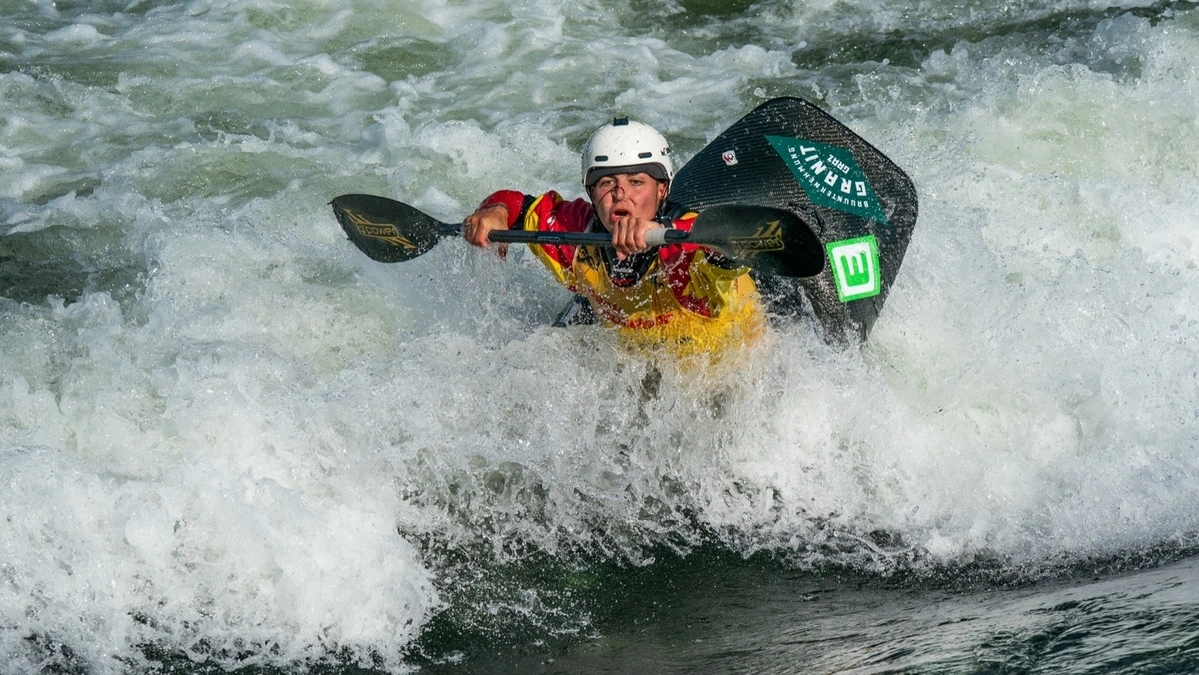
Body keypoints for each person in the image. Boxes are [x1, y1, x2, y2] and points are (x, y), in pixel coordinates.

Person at [462, 117, 765, 357]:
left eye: (636, 182)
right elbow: (518, 205)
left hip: (730, 359)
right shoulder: (577, 237)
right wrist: (495, 212)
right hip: (641, 355)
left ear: (662, 190)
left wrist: (660, 235)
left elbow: (734, 240)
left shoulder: (687, 245)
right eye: (607, 182)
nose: (621, 194)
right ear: (590, 193)